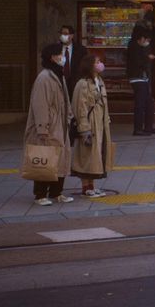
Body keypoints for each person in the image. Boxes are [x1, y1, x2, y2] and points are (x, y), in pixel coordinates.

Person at [25, 43, 74, 206]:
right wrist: (42, 128)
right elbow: (40, 105)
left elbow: (65, 100)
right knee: (45, 158)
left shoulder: (59, 75)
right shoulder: (44, 78)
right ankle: (40, 194)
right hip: (50, 125)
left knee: (60, 159)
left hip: (60, 124)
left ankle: (56, 192)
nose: (63, 57)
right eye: (60, 54)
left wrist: (69, 117)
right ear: (53, 57)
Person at [71, 55, 114, 198]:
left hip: (100, 124)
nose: (100, 64)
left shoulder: (99, 81)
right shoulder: (83, 84)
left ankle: (92, 186)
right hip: (90, 124)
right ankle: (86, 187)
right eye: (97, 62)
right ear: (90, 65)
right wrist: (84, 128)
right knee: (87, 156)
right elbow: (80, 107)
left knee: (96, 156)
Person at [127, 30, 155, 135]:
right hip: (137, 78)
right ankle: (138, 129)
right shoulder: (134, 48)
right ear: (141, 38)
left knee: (149, 103)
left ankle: (148, 127)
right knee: (140, 104)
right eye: (146, 40)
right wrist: (148, 58)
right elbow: (139, 62)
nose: (147, 42)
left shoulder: (141, 47)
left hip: (144, 78)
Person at [59, 24, 88, 96]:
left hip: (76, 85)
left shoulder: (81, 50)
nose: (63, 36)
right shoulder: (55, 49)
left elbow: (85, 67)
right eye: (61, 33)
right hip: (60, 83)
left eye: (65, 34)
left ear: (72, 35)